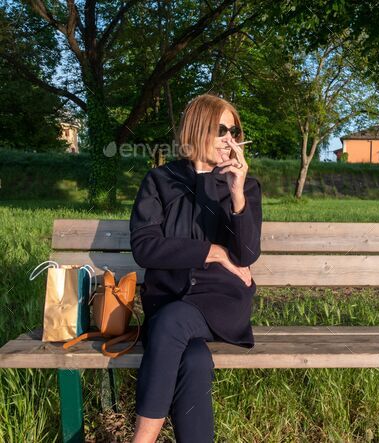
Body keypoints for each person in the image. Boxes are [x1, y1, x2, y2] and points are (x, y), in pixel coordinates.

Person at [128, 93, 262, 443]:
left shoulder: (243, 185)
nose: (230, 139)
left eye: (235, 130)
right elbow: (145, 247)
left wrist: (236, 195)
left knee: (173, 323)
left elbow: (247, 254)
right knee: (195, 361)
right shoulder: (160, 181)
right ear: (198, 128)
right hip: (169, 299)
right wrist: (213, 251)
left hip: (220, 301)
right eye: (221, 129)